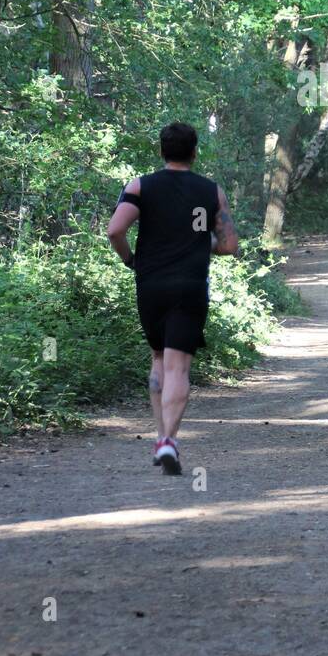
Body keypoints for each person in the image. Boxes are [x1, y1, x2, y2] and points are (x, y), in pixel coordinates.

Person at [106, 121, 240, 475]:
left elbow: (115, 230)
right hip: (190, 285)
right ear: (195, 152)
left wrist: (130, 259)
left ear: (161, 151)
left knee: (158, 357)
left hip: (150, 284)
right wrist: (201, 242)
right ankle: (169, 441)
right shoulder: (210, 192)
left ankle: (161, 436)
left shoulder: (140, 186)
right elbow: (228, 245)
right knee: (178, 365)